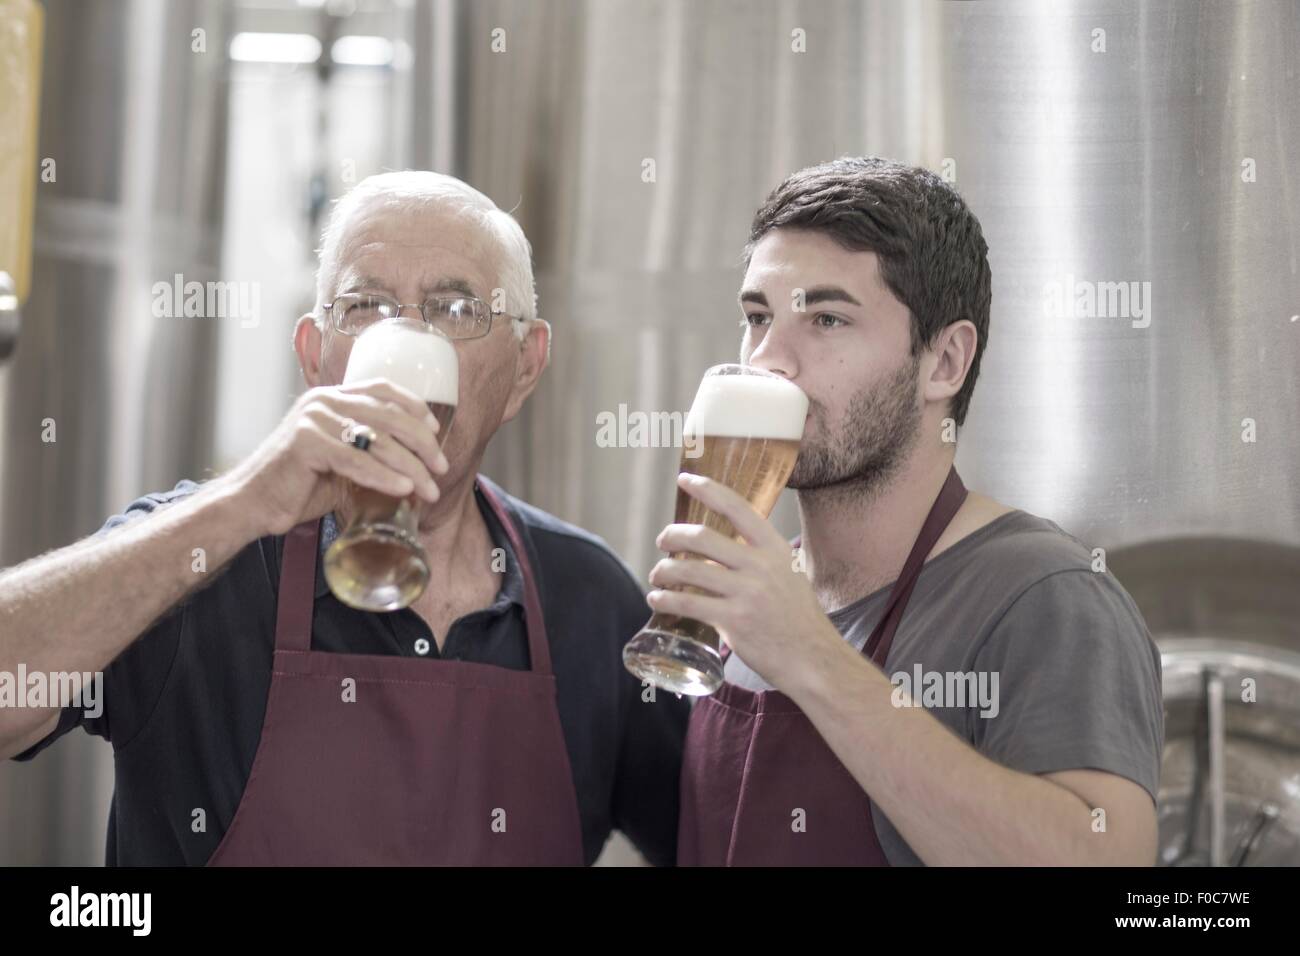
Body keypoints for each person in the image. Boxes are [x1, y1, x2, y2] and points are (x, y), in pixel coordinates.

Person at [1, 171, 688, 866]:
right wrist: (238, 504)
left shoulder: (590, 600)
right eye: (367, 306)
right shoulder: (200, 562)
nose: (411, 342)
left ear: (525, 365)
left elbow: (715, 843)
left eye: (455, 309)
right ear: (316, 357)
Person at [654, 157, 1164, 866]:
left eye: (826, 319)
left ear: (945, 362)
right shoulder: (743, 602)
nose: (770, 360)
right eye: (758, 318)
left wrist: (813, 657)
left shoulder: (1044, 597)